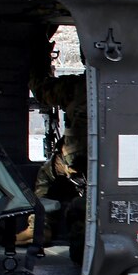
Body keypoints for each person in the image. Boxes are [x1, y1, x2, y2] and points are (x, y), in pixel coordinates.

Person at [16, 71, 87, 247]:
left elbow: (42, 90)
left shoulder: (77, 85)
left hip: (79, 159)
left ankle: (40, 228)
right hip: (121, 162)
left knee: (46, 175)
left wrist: (37, 66)